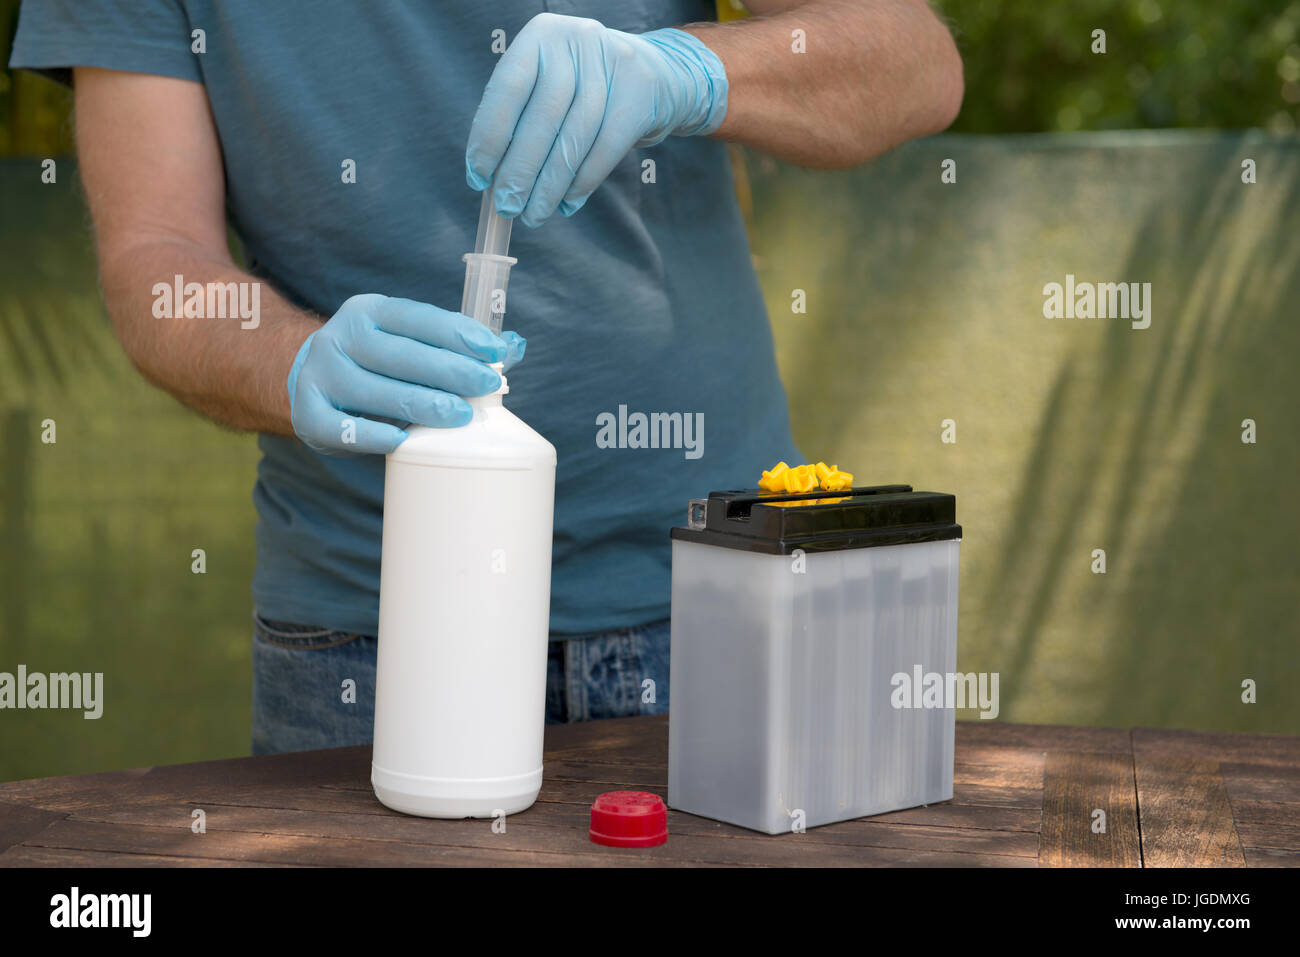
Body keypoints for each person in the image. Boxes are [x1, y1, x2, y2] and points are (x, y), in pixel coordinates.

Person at [10, 0, 962, 752]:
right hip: (371, 647)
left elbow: (916, 65)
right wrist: (292, 358)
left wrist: (691, 70)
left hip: (719, 597)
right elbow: (153, 253)